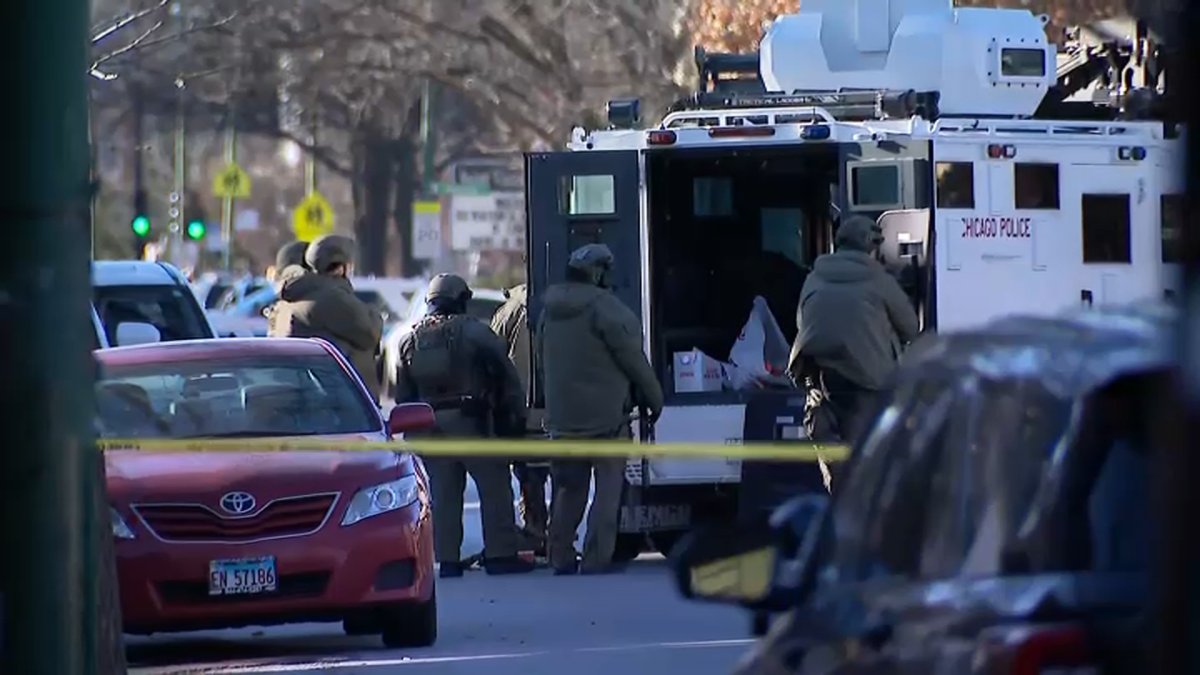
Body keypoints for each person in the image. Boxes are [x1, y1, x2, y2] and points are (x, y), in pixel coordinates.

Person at [394, 273, 534, 577]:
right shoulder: (474, 332)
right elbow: (505, 375)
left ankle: (447, 560)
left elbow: (402, 395)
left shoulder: (410, 338)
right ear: (461, 299)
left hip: (428, 426)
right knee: (494, 486)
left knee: (443, 493)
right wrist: (513, 417)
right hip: (471, 421)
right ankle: (499, 555)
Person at [536, 244, 664, 575]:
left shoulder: (549, 309)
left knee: (568, 490)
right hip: (607, 420)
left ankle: (559, 555)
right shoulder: (607, 309)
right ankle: (595, 559)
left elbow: (541, 363)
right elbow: (634, 361)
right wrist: (655, 399)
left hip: (562, 420)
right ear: (598, 272)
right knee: (608, 492)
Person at [788, 214, 920, 448]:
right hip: (867, 380)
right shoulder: (880, 280)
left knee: (835, 457)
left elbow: (802, 320)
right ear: (870, 246)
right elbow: (911, 328)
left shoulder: (814, 277)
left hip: (820, 379)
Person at [268, 234, 383, 401]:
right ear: (341, 267)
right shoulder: (329, 298)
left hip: (312, 398)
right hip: (340, 402)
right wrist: (374, 313)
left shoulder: (295, 297)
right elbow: (369, 333)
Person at [489, 282, 550, 553]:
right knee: (563, 475)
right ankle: (560, 538)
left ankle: (536, 531)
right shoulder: (559, 306)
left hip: (521, 407)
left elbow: (492, 355)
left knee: (529, 475)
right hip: (557, 405)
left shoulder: (507, 312)